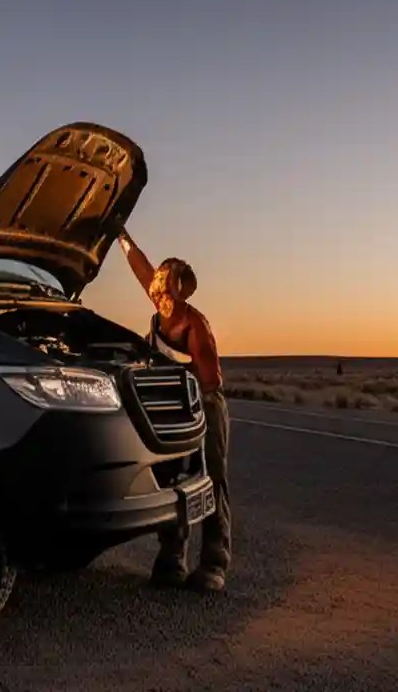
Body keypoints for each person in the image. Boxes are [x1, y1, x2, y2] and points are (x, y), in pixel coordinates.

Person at [118, 227, 232, 592]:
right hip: (173, 407)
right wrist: (123, 237)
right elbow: (140, 268)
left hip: (204, 407)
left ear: (178, 288)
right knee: (172, 480)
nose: (155, 281)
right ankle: (172, 556)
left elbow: (209, 379)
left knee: (211, 480)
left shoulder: (195, 324)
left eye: (163, 278)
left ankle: (215, 561)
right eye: (157, 278)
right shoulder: (161, 314)